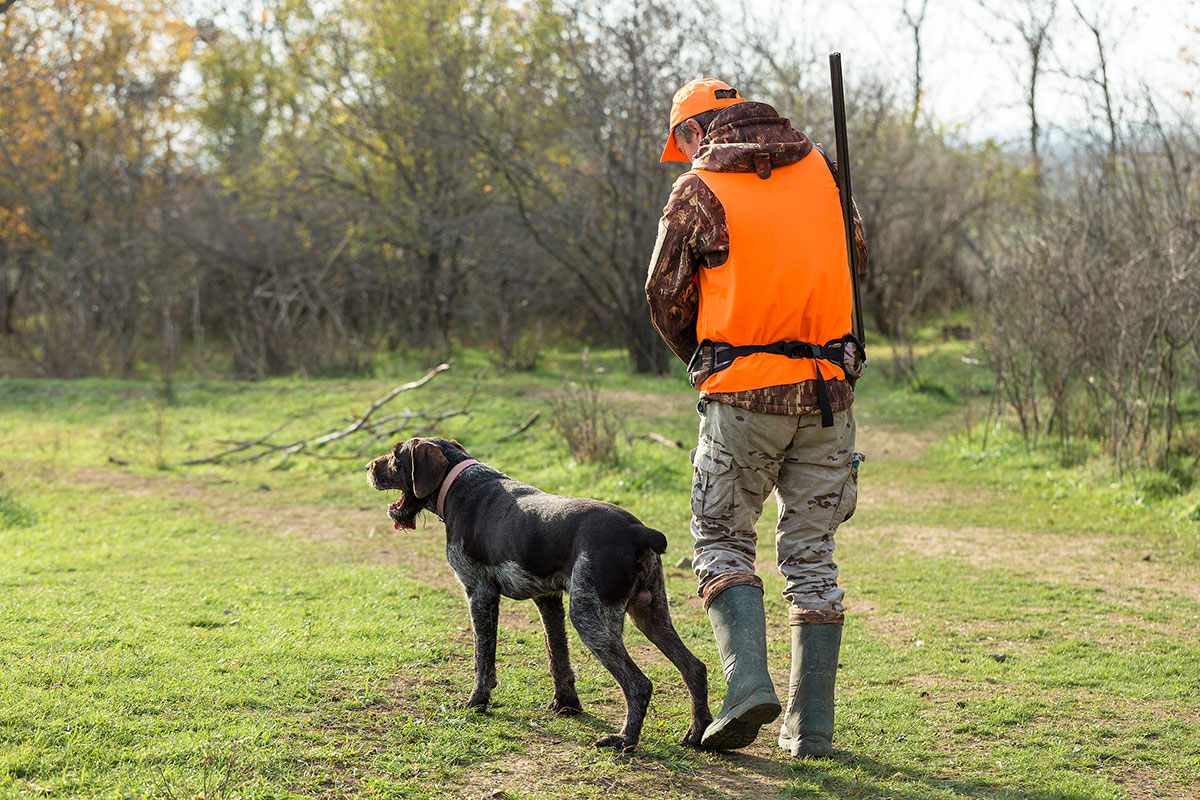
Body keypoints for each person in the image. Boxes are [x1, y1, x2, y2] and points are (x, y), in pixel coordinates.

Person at [645, 78, 868, 756]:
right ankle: (811, 728)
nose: (685, 154)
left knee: (719, 538)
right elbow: (857, 262)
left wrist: (709, 356)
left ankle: (746, 687)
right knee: (813, 556)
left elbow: (663, 294)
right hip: (829, 395)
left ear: (695, 130)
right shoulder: (826, 170)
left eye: (683, 140)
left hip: (741, 398)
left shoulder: (698, 189)